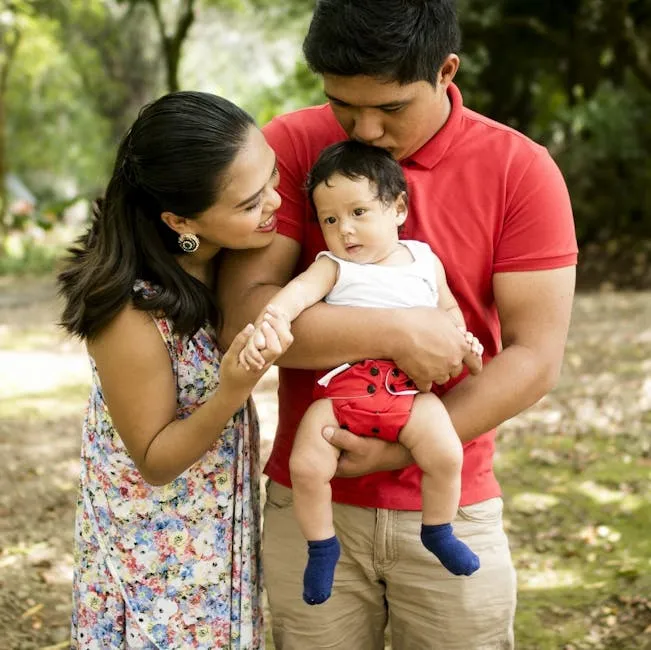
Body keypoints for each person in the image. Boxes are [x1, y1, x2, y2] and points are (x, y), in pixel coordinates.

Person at [217, 0, 578, 647]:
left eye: (388, 109)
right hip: (311, 502)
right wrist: (395, 331)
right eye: (341, 106)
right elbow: (245, 318)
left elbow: (533, 357)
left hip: (452, 501)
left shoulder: (519, 171)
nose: (362, 130)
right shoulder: (291, 148)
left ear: (445, 71)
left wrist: (398, 449)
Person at [57, 91, 291, 649]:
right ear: (180, 219)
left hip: (214, 544)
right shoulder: (129, 311)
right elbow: (155, 459)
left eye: (273, 179)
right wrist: (232, 390)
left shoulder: (226, 261)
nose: (275, 204)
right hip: (154, 571)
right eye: (250, 202)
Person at [241, 141, 484, 605]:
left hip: (410, 396)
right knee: (306, 465)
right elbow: (293, 296)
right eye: (330, 220)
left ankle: (439, 530)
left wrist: (462, 339)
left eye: (358, 212)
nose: (344, 230)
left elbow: (449, 311)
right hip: (343, 399)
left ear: (397, 209)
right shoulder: (333, 267)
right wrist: (273, 318)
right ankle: (322, 546)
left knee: (447, 452)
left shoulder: (423, 261)